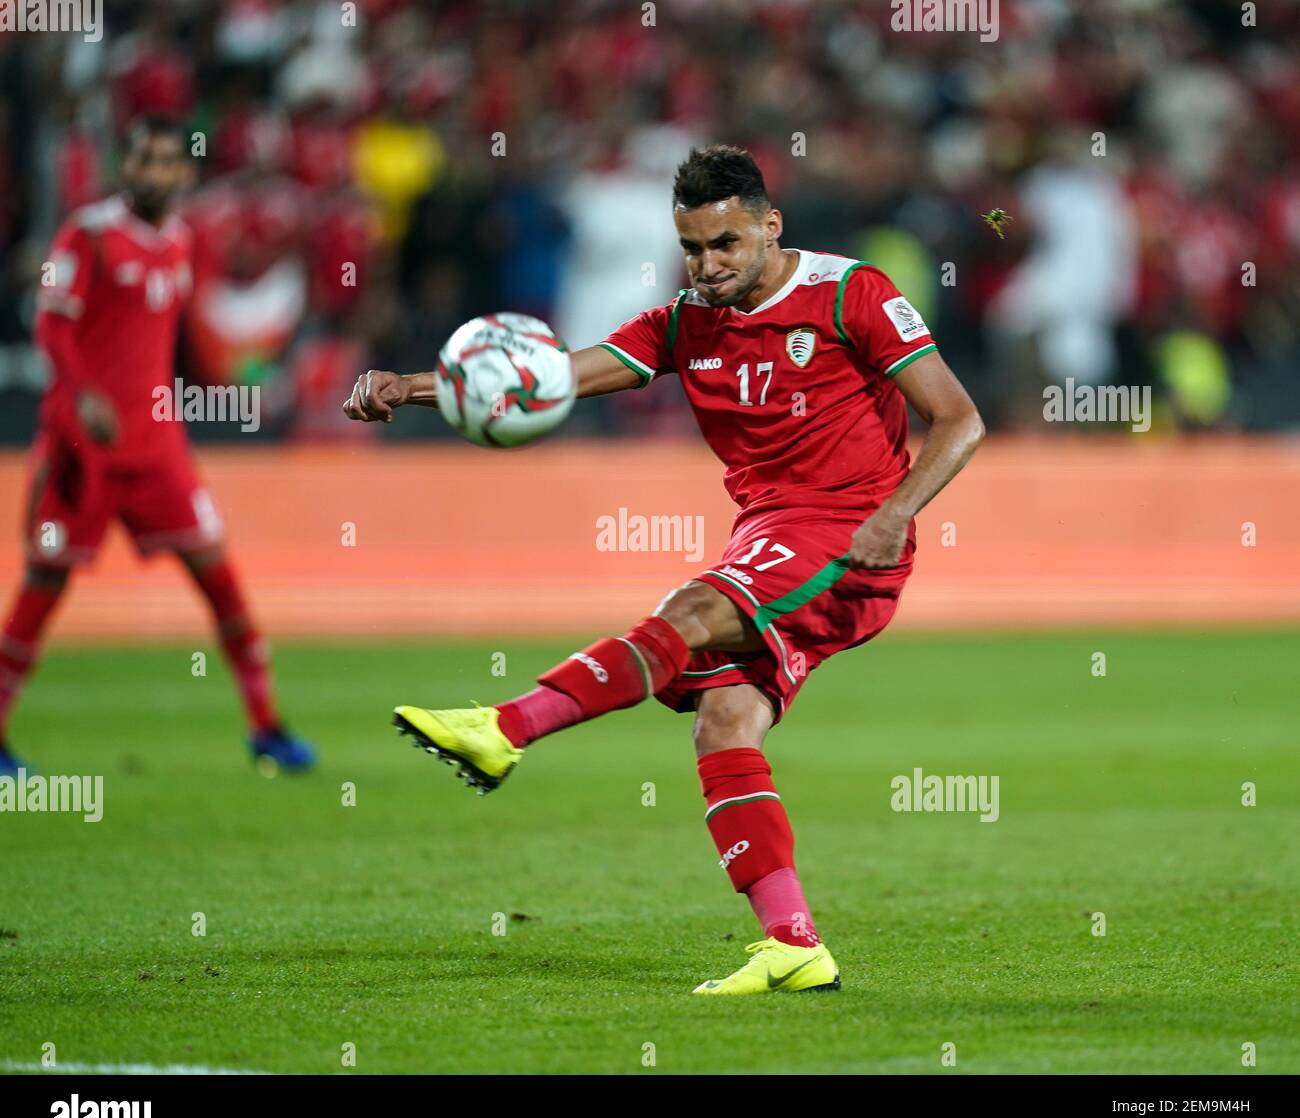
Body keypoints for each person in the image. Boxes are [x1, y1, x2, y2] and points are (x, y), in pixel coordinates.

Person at [343, 145, 983, 994]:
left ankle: (506, 728)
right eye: (691, 247)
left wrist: (894, 516)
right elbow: (548, 380)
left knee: (686, 613)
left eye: (725, 244)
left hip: (846, 534)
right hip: (767, 534)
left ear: (769, 227)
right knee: (722, 719)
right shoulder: (686, 322)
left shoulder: (848, 293)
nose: (707, 264)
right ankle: (793, 943)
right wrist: (408, 384)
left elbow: (960, 419)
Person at [0, 118, 314, 779]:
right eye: (143, 158)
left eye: (167, 162)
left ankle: (267, 727)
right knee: (45, 582)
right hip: (82, 448)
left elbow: (174, 337)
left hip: (158, 449)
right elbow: (53, 327)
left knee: (217, 575)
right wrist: (82, 394)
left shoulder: (181, 239)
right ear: (127, 165)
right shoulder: (87, 235)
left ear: (183, 174)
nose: (154, 171)